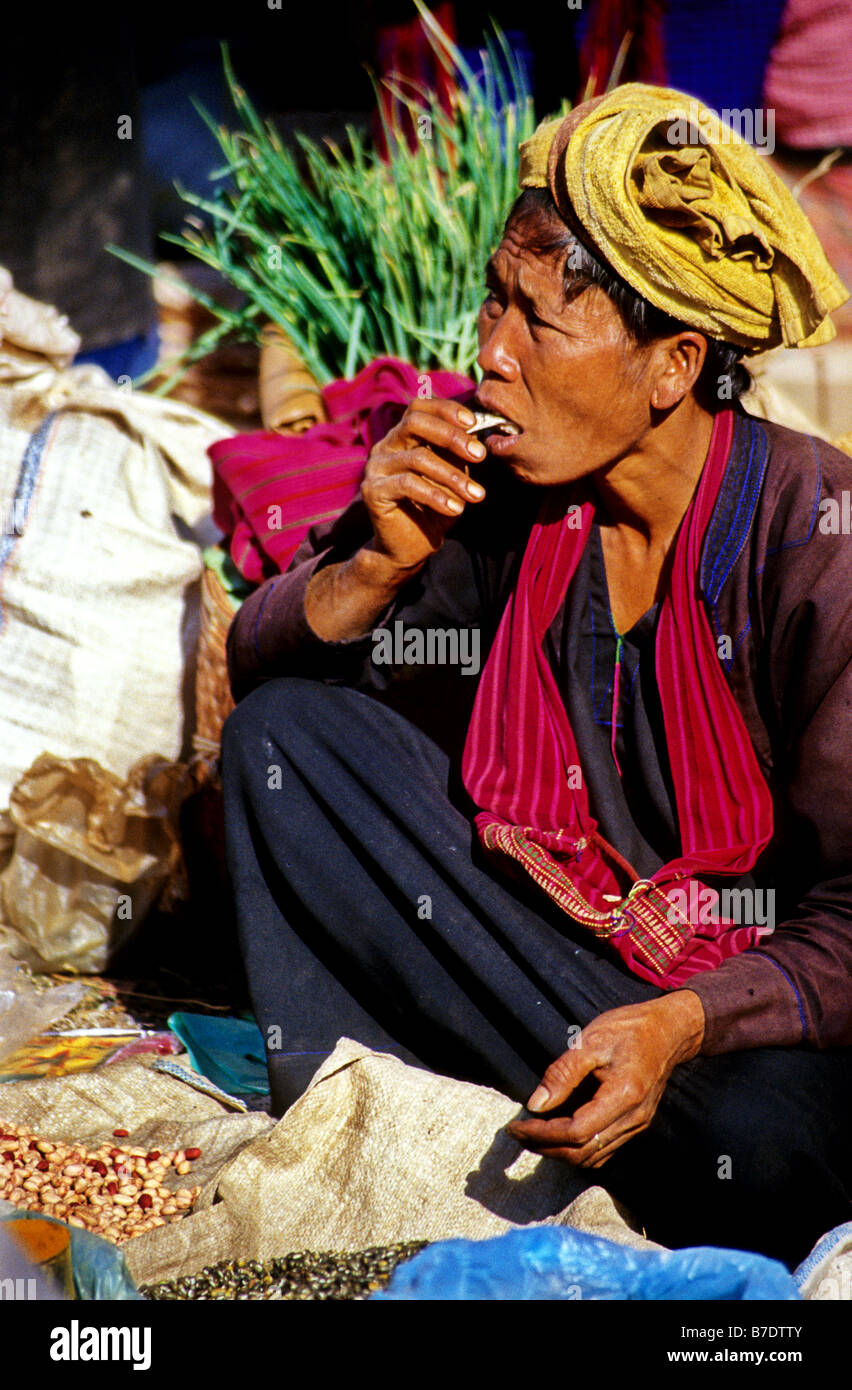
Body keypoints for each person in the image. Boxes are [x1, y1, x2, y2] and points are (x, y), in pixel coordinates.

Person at [222, 84, 852, 1267]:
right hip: (564, 947)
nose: (489, 356)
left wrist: (677, 1024)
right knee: (286, 741)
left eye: (538, 324)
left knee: (771, 1148)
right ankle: (423, 1119)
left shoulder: (819, 549)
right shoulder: (511, 498)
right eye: (493, 305)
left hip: (735, 1015)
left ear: (673, 364)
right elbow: (257, 662)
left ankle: (576, 1111)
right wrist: (371, 566)